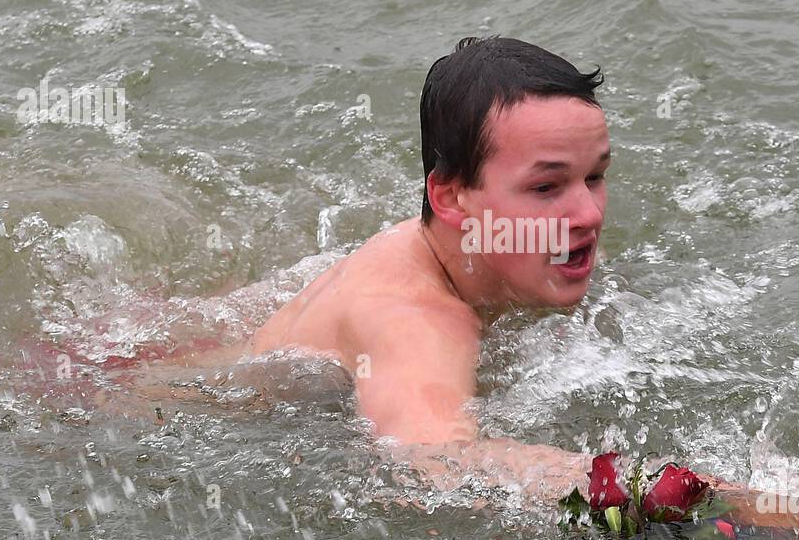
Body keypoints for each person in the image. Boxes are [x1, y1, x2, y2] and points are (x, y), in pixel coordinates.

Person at [250, 36, 610, 506]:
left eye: (595, 177)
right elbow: (428, 466)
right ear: (450, 198)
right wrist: (658, 492)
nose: (589, 214)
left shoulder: (479, 252)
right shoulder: (415, 322)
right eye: (546, 187)